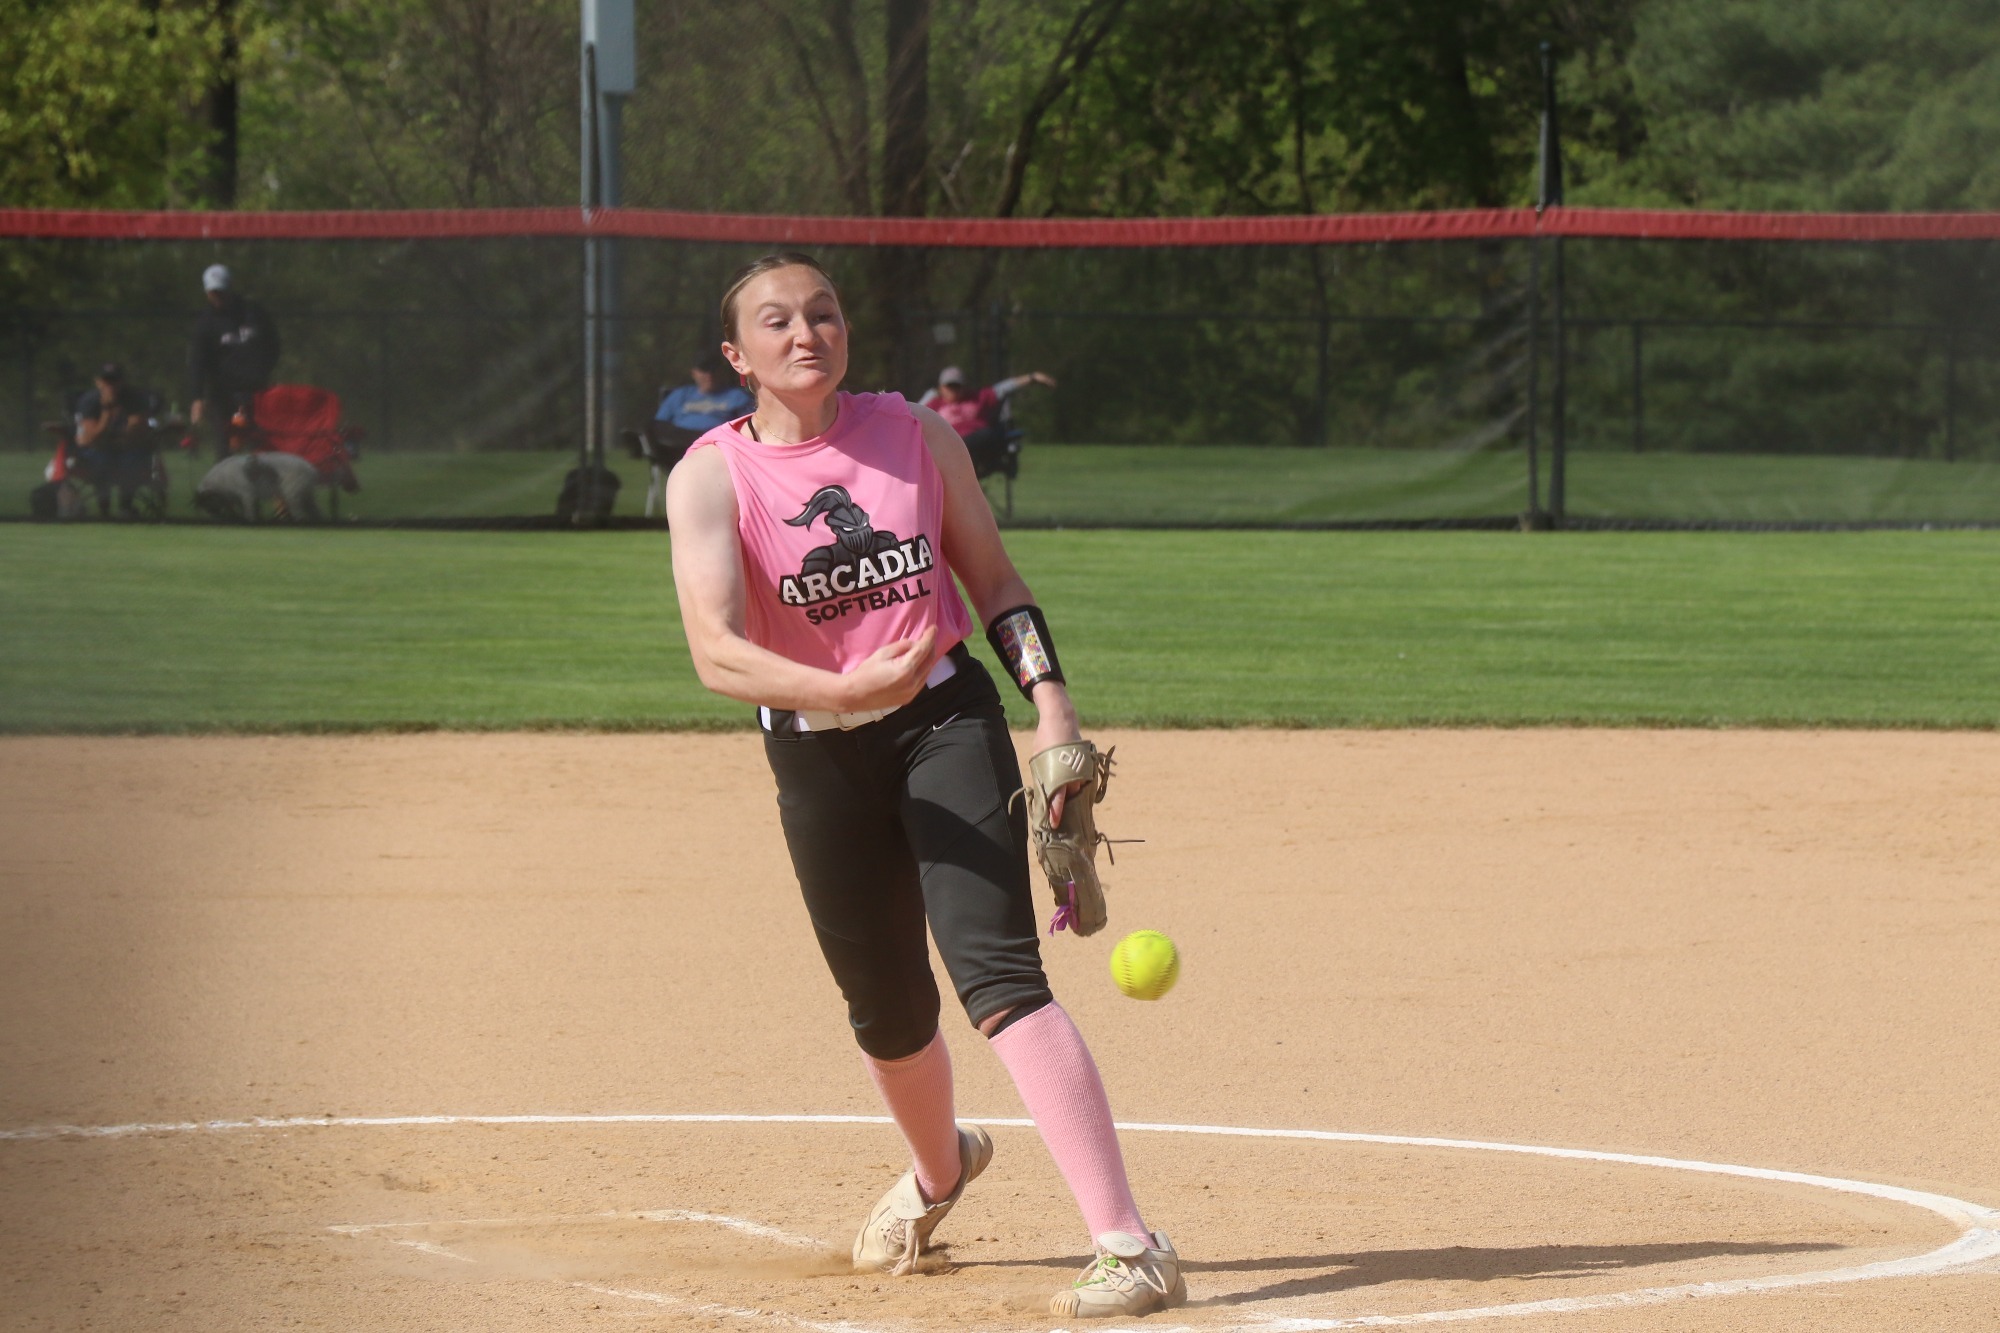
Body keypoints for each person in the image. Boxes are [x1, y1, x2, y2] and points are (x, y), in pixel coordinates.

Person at [666, 253, 1184, 1320]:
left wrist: (1053, 710)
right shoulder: (710, 475)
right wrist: (839, 683)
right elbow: (715, 652)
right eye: (776, 321)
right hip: (814, 750)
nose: (806, 332)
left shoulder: (914, 434)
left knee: (996, 978)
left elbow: (993, 582)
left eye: (824, 312)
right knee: (887, 1013)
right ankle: (940, 1172)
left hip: (943, 720)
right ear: (735, 355)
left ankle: (1128, 1242)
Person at [635, 351, 755, 518]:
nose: (709, 375)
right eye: (703, 371)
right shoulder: (680, 396)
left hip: (716, 448)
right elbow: (659, 424)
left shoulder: (736, 397)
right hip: (676, 449)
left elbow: (748, 427)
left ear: (721, 372)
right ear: (694, 373)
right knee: (650, 427)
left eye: (713, 370)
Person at [187, 264, 281, 460]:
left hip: (257, 392)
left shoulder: (254, 313)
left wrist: (262, 370)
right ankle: (227, 489)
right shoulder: (205, 323)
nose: (217, 296)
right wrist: (197, 398)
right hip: (222, 396)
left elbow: (274, 345)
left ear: (230, 287)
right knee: (225, 449)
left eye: (221, 291)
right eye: (213, 292)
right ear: (206, 292)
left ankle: (263, 487)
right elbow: (197, 362)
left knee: (263, 445)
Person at [918, 364, 1055, 477]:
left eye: (957, 386)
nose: (954, 391)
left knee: (990, 433)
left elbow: (1005, 387)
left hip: (979, 441)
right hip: (950, 446)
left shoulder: (979, 397)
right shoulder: (934, 404)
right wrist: (929, 395)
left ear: (964, 386)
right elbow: (911, 415)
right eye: (949, 386)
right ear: (941, 387)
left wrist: (1033, 377)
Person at [72, 363, 158, 518]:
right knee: (99, 460)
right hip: (98, 449)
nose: (110, 385)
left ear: (122, 381)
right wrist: (106, 412)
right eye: (106, 381)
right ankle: (103, 509)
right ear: (98, 382)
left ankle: (125, 506)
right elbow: (91, 437)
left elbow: (136, 429)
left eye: (114, 381)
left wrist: (115, 440)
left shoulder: (135, 398)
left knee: (133, 459)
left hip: (127, 447)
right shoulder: (89, 401)